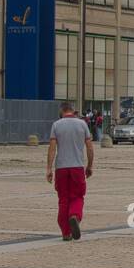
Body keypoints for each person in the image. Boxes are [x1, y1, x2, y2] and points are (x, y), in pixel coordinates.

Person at [47, 102, 94, 240]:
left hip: (61, 167)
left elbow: (52, 149)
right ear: (73, 111)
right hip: (77, 166)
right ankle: (74, 216)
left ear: (61, 112)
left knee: (63, 200)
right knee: (78, 196)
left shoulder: (56, 125)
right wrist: (90, 165)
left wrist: (49, 168)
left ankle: (66, 232)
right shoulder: (82, 124)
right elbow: (90, 148)